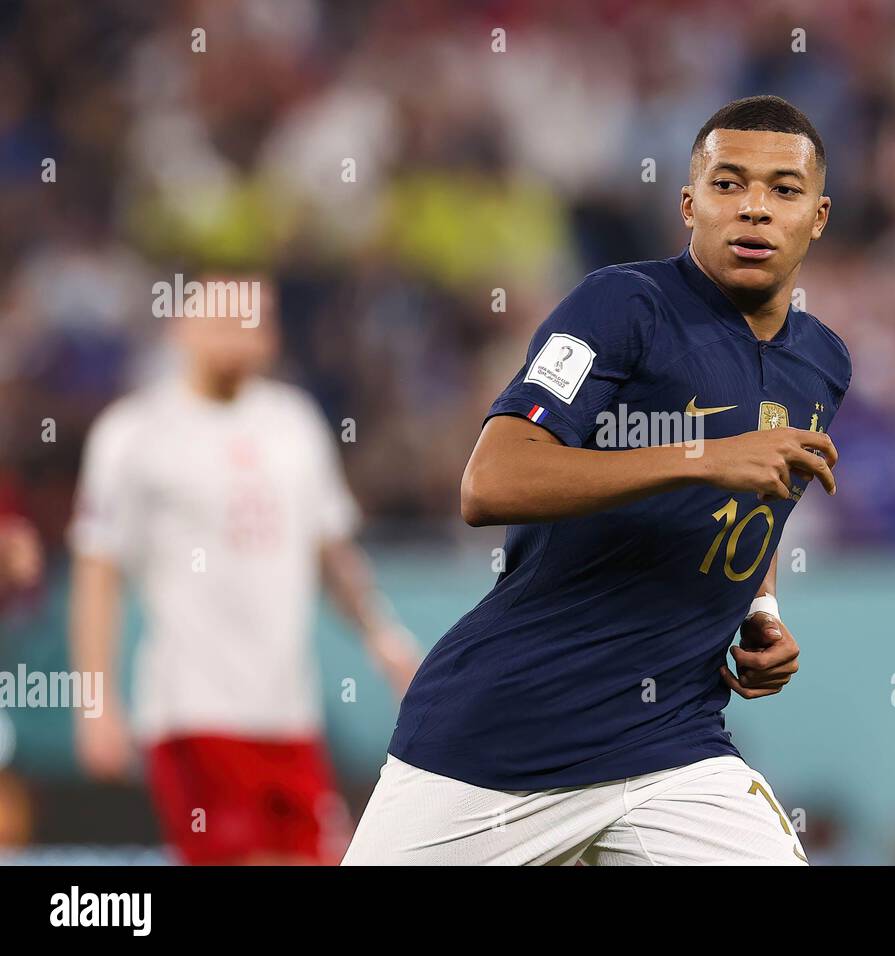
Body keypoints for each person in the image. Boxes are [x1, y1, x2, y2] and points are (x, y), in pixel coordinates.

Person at [344, 95, 849, 865]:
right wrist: (706, 455)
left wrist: (762, 607)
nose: (754, 209)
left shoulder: (824, 363)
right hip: (505, 737)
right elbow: (491, 481)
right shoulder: (623, 305)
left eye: (783, 190)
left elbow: (754, 503)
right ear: (689, 204)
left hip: (675, 745)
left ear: (817, 216)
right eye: (728, 184)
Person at [69, 276, 419, 865]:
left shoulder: (295, 424)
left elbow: (329, 551)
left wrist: (382, 635)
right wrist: (94, 700)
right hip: (194, 713)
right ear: (182, 327)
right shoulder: (133, 433)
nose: (243, 335)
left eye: (256, 321)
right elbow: (98, 571)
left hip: (288, 711)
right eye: (226, 320)